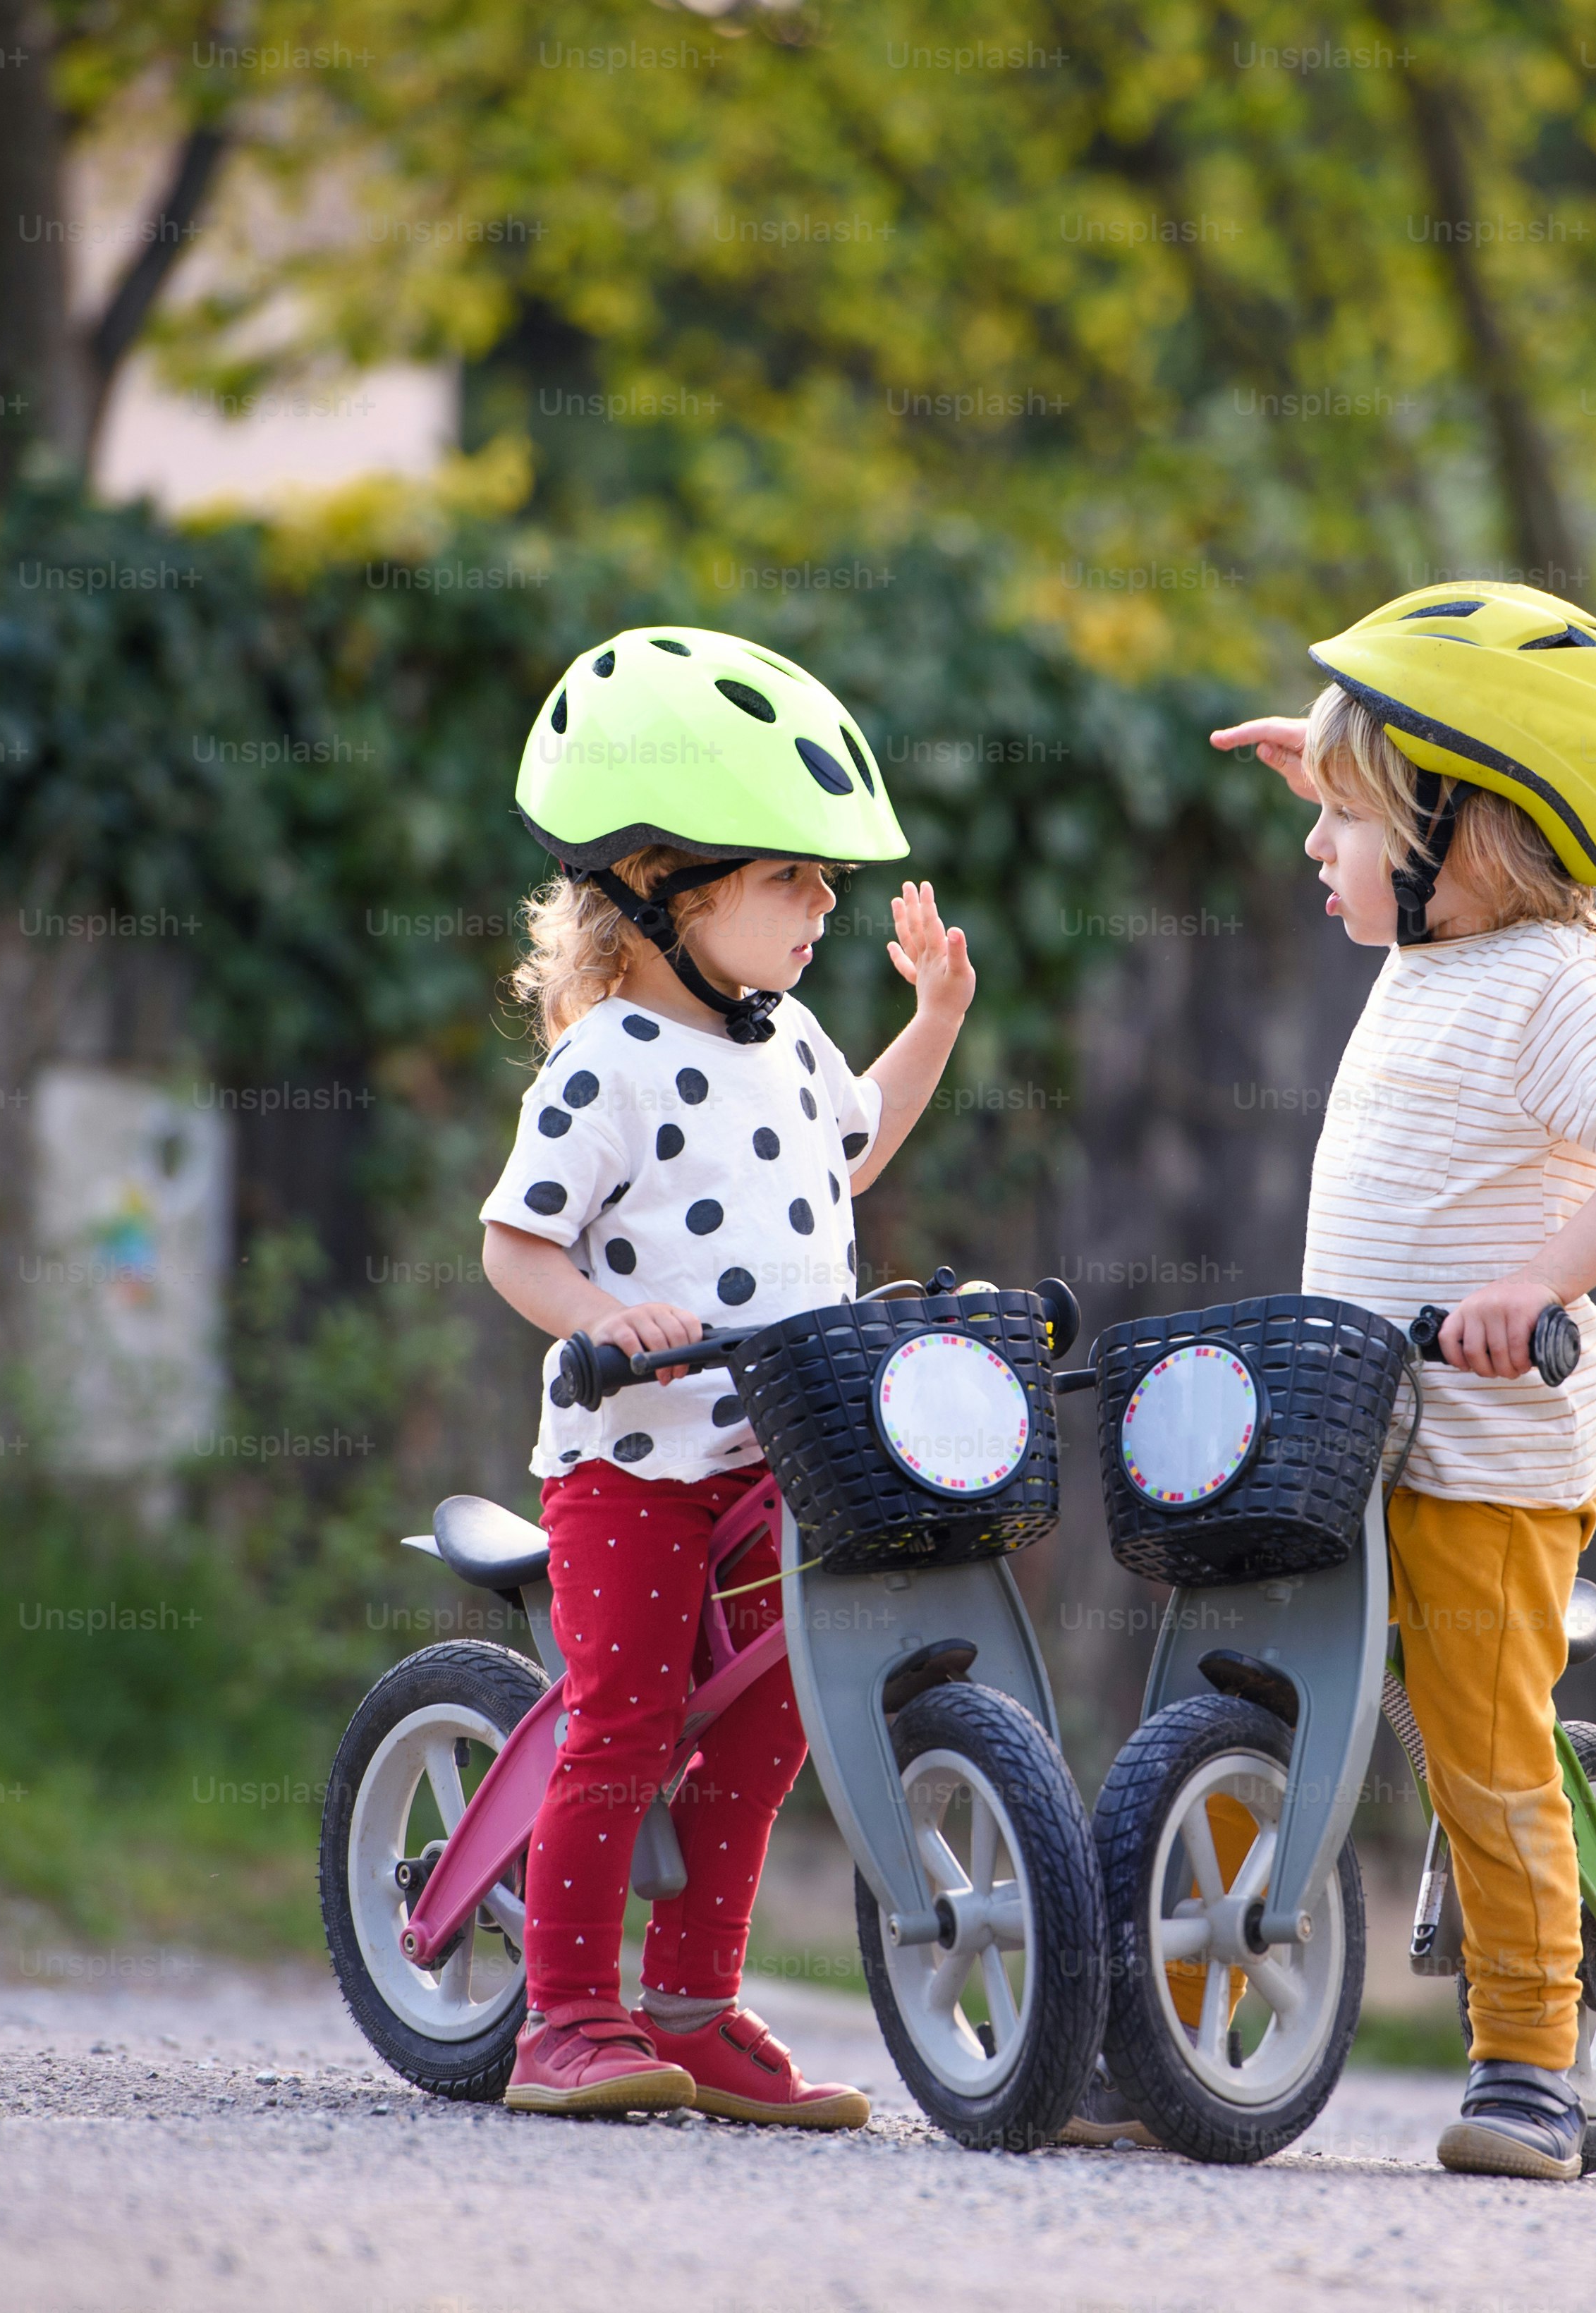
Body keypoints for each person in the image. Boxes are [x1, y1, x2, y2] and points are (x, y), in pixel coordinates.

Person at [1212, 581, 1596, 2178]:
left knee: (1478, 1743)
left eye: (1349, 819)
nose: (1317, 845)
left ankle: (1529, 2059)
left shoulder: (1554, 981)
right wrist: (1337, 767)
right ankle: (1174, 2018)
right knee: (1251, 1688)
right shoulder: (1433, 945)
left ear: (1462, 839)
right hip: (1348, 1424)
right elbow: (1409, 830)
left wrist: (1538, 1282)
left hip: (1490, 1446)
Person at [475, 626, 975, 2123]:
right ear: (657, 893)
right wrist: (594, 1316)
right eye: (788, 875)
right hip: (634, 1455)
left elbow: (852, 1145)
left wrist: (933, 1022)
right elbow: (516, 1242)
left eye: (824, 876)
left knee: (768, 1720)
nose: (826, 901)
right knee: (625, 1711)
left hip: (778, 1450)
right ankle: (564, 2011)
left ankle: (692, 2003)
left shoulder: (793, 1040)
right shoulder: (604, 1062)